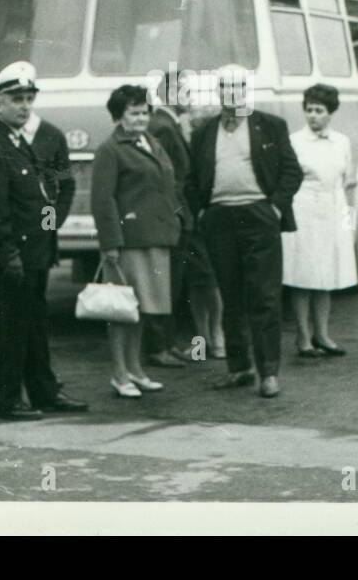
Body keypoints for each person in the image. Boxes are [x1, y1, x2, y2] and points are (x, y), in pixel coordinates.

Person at [0, 61, 87, 420]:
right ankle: (6, 401)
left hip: (35, 252)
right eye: (16, 99)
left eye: (28, 98)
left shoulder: (27, 140)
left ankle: (43, 392)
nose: (24, 106)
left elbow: (62, 186)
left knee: (35, 327)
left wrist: (50, 226)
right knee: (7, 330)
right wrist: (10, 256)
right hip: (7, 257)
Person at [187, 64, 303, 399]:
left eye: (238, 87)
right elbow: (192, 180)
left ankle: (268, 373)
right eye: (225, 88)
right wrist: (203, 211)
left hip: (259, 216)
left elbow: (291, 171)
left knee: (264, 296)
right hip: (220, 219)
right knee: (230, 294)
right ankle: (239, 368)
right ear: (218, 92)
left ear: (247, 90)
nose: (232, 94)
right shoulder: (204, 132)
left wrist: (275, 207)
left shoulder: (270, 126)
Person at [91, 85, 184, 398]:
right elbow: (102, 201)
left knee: (141, 308)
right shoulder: (110, 149)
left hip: (154, 237)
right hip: (128, 241)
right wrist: (110, 245)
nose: (141, 118)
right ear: (119, 116)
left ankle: (135, 369)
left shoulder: (151, 141)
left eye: (145, 112)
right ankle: (119, 374)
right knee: (121, 311)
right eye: (134, 112)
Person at [147, 95, 225, 363]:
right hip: (185, 214)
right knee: (198, 278)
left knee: (201, 277)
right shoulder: (164, 127)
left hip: (193, 214)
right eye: (185, 93)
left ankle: (209, 342)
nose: (190, 101)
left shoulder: (174, 125)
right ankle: (207, 342)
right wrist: (183, 213)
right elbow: (171, 179)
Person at [282, 84, 355, 355]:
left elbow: (345, 180)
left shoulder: (342, 142)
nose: (313, 115)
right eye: (309, 110)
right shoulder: (294, 141)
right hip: (303, 213)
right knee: (303, 275)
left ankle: (322, 334)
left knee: (326, 275)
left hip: (332, 211)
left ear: (330, 113)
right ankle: (302, 337)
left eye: (319, 110)